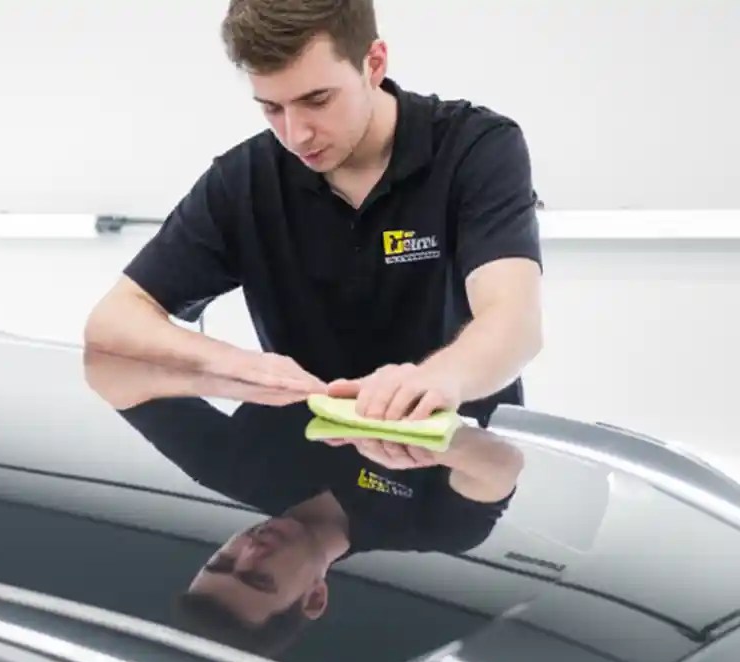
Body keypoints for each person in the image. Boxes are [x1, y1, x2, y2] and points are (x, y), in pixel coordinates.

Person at [84, 0, 543, 426]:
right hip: (311, 484)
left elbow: (513, 321)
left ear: (374, 64)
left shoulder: (477, 148)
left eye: (317, 100)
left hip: (460, 469)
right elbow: (115, 320)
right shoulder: (243, 180)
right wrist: (238, 364)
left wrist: (441, 379)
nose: (296, 134)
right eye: (271, 108)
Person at [84, 349, 524, 655]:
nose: (250, 550)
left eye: (221, 561)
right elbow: (501, 465)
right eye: (259, 579)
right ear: (314, 599)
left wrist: (225, 372)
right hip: (456, 296)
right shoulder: (431, 528)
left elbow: (111, 373)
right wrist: (403, 432)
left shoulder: (232, 470)